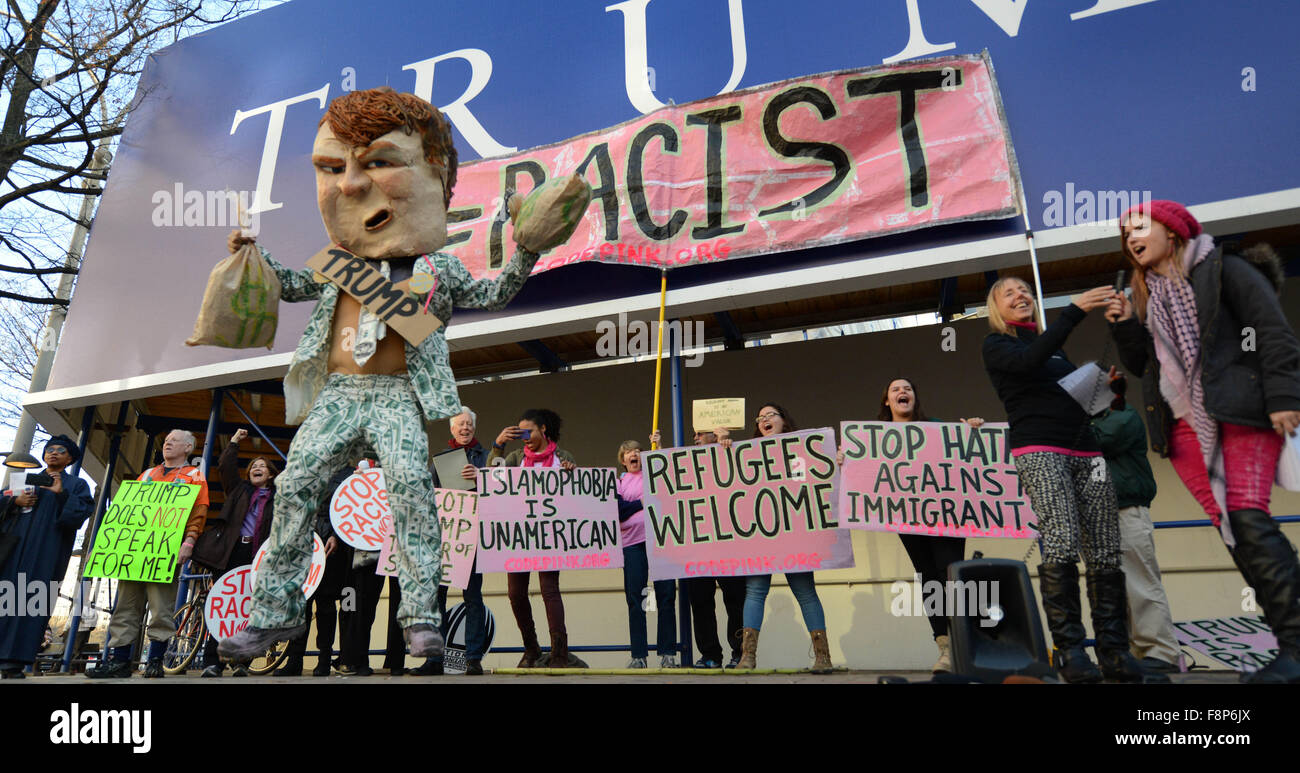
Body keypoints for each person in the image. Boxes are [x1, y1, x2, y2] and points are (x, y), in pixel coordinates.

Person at [218, 87, 584, 662]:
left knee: (413, 492)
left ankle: (420, 618)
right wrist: (249, 255)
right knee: (292, 488)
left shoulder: (439, 266)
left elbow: (494, 295)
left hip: (396, 397)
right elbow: (289, 285)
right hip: (339, 394)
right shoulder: (339, 260)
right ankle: (273, 615)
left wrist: (526, 251)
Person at [1107, 199, 1300, 683]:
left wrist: (1282, 395)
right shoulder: (1145, 292)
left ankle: (1297, 647)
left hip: (1238, 411)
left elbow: (1273, 330)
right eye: (1125, 232)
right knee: (1234, 532)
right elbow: (1142, 366)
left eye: (1140, 226)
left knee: (1248, 518)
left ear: (1172, 231)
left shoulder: (1225, 269)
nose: (1131, 237)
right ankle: (1289, 647)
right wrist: (1125, 321)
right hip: (1183, 426)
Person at [982, 277, 1167, 683]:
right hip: (1041, 450)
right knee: (1062, 540)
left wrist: (1109, 393)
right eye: (1009, 292)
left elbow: (1074, 398)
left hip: (1087, 450)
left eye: (1025, 289)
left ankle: (1114, 652)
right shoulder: (997, 346)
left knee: (1104, 549)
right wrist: (1075, 311)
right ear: (996, 308)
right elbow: (1028, 363)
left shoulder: (1056, 352)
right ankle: (1070, 652)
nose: (1021, 295)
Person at [868, 378, 984, 673]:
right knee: (929, 577)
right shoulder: (876, 437)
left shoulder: (934, 426)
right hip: (908, 517)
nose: (902, 392)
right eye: (895, 389)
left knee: (951, 572)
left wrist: (973, 433)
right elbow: (867, 473)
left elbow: (960, 458)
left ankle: (966, 642)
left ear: (914, 398)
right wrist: (847, 459)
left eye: (907, 388)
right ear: (887, 401)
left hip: (946, 516)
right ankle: (944, 647)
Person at [88, 429, 210, 679]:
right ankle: (119, 662)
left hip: (164, 552)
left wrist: (189, 541)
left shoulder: (194, 476)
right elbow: (123, 513)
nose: (167, 443)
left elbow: (198, 511)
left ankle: (155, 659)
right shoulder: (147, 475)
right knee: (125, 606)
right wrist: (103, 546)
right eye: (165, 440)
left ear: (188, 448)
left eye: (174, 441)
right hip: (134, 553)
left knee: (161, 608)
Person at [1089, 367, 1182, 673]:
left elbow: (1101, 438)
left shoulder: (1122, 418)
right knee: (1111, 588)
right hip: (1099, 515)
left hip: (1125, 510)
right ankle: (1127, 651)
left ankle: (1160, 651)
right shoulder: (1097, 421)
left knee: (1139, 583)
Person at [732, 403, 833, 673]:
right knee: (754, 592)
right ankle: (748, 656)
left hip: (792, 534)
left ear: (783, 422)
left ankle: (823, 656)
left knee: (805, 593)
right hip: (760, 536)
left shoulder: (799, 452)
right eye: (760, 417)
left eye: (771, 415)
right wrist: (723, 445)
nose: (764, 419)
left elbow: (804, 484)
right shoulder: (748, 454)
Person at [488, 408, 584, 668]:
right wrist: (498, 445)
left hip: (550, 536)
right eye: (519, 433)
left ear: (543, 429)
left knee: (549, 590)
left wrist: (571, 474)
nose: (524, 437)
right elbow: (491, 479)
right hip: (518, 536)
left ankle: (559, 653)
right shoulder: (515, 457)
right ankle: (531, 649)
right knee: (515, 593)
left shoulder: (563, 457)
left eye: (528, 431)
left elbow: (578, 495)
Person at [0, 436, 94, 678]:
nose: (53, 453)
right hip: (14, 552)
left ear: (70, 457)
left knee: (34, 603)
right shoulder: (23, 478)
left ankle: (15, 662)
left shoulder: (76, 485)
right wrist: (13, 500)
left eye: (60, 451)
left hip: (48, 554)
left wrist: (61, 494)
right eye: (49, 450)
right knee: (5, 600)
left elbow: (81, 514)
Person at [651, 426, 745, 668]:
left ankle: (739, 652)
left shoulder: (731, 453)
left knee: (735, 599)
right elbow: (669, 476)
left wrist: (726, 446)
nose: (695, 437)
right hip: (697, 545)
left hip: (728, 543)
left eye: (701, 433)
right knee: (701, 600)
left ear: (715, 435)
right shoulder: (689, 463)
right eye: (694, 434)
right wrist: (659, 450)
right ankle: (711, 655)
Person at [191, 428, 278, 677]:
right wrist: (234, 444)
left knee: (247, 608)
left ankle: (241, 661)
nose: (255, 469)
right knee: (221, 606)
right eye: (253, 466)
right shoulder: (238, 489)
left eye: (261, 466)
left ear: (271, 474)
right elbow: (226, 468)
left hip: (257, 556)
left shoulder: (277, 498)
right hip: (231, 552)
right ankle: (213, 662)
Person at [412, 406, 489, 676]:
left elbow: (499, 490)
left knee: (473, 599)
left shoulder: (486, 458)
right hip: (444, 540)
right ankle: (435, 660)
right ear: (452, 429)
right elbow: (429, 497)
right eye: (460, 424)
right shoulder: (441, 459)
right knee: (437, 599)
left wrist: (481, 478)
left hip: (473, 540)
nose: (465, 428)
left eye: (469, 424)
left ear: (474, 428)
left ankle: (473, 659)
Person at [281, 464, 352, 676]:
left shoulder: (348, 474)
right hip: (303, 546)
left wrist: (335, 535)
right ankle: (294, 660)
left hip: (330, 548)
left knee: (326, 605)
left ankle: (323, 659)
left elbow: (350, 510)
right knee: (299, 607)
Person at [614, 439, 677, 668]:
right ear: (623, 460)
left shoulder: (654, 476)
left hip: (660, 541)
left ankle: (668, 653)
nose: (634, 454)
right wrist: (642, 501)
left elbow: (668, 489)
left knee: (666, 597)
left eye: (638, 451)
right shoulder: (619, 482)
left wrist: (658, 449)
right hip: (632, 546)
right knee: (636, 600)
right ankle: (638, 655)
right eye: (629, 452)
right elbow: (618, 510)